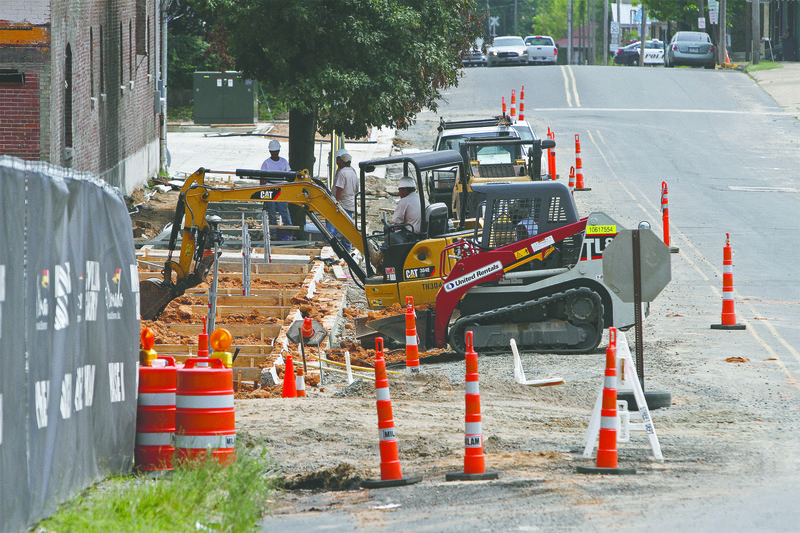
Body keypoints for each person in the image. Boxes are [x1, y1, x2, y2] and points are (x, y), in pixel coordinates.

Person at [326, 148, 359, 251]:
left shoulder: (342, 173)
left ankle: (330, 242)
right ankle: (347, 247)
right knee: (348, 226)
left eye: (337, 160)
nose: (336, 162)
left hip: (343, 203)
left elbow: (340, 189)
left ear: (341, 161)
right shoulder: (352, 171)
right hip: (350, 203)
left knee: (333, 221)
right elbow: (356, 188)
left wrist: (336, 202)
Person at [260, 139, 293, 240]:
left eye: (276, 151)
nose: (274, 153)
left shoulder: (283, 162)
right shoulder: (266, 163)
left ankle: (288, 231)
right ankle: (273, 233)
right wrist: (262, 191)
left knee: (284, 210)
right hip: (270, 188)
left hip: (281, 188)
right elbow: (262, 178)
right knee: (271, 212)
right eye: (272, 152)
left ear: (278, 151)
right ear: (270, 152)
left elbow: (289, 174)